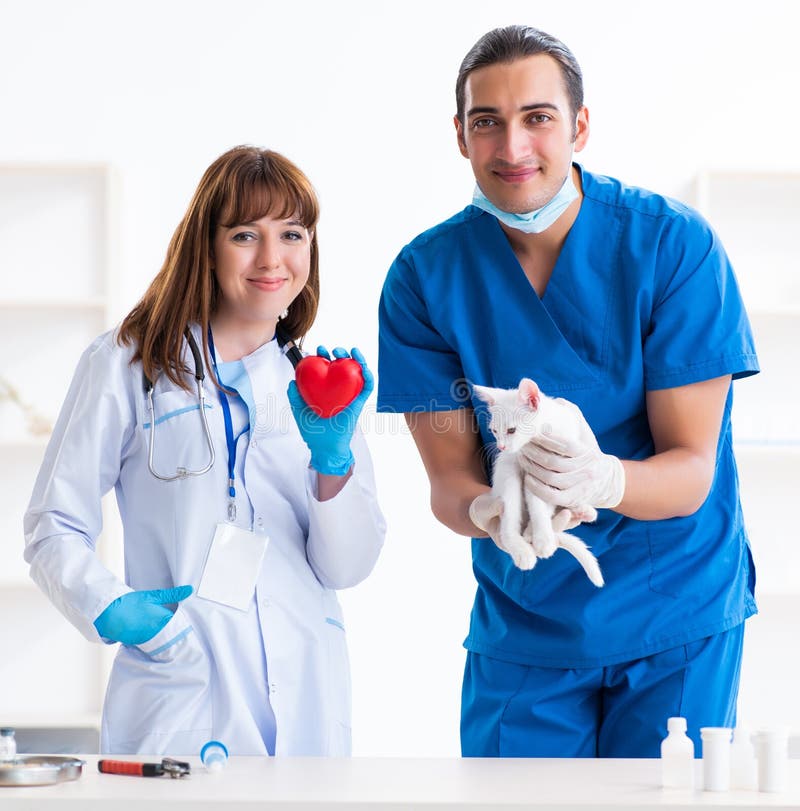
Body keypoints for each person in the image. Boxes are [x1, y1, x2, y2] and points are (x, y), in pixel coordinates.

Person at [377, 25, 758, 758]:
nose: (512, 147)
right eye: (486, 121)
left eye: (537, 118)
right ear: (460, 136)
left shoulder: (671, 247)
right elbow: (451, 484)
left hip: (674, 606)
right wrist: (489, 511)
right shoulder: (425, 278)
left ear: (579, 126)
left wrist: (606, 478)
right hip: (527, 619)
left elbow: (690, 469)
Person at [24, 145, 385, 756]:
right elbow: (53, 523)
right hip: (182, 688)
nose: (272, 259)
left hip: (307, 700)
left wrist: (333, 460)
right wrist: (109, 605)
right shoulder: (128, 365)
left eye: (292, 233)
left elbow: (345, 568)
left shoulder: (321, 386)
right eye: (245, 234)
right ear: (207, 245)